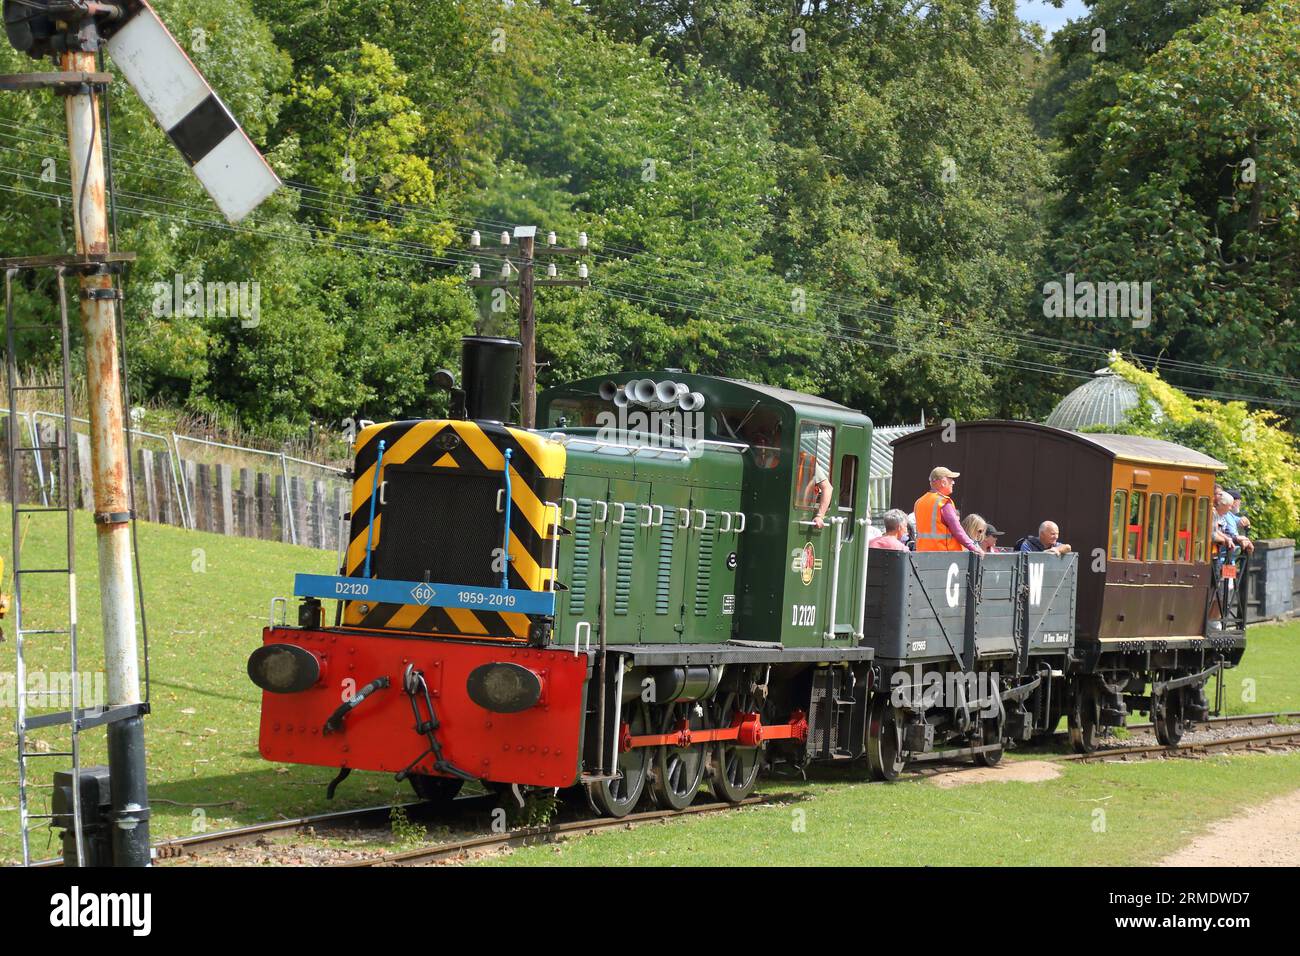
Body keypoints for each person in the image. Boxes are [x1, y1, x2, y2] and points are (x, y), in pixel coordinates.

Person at [913, 467, 983, 553]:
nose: (953, 482)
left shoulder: (919, 502)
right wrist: (974, 547)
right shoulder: (943, 502)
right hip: (944, 556)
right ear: (943, 482)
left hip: (922, 554)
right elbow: (957, 530)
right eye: (951, 479)